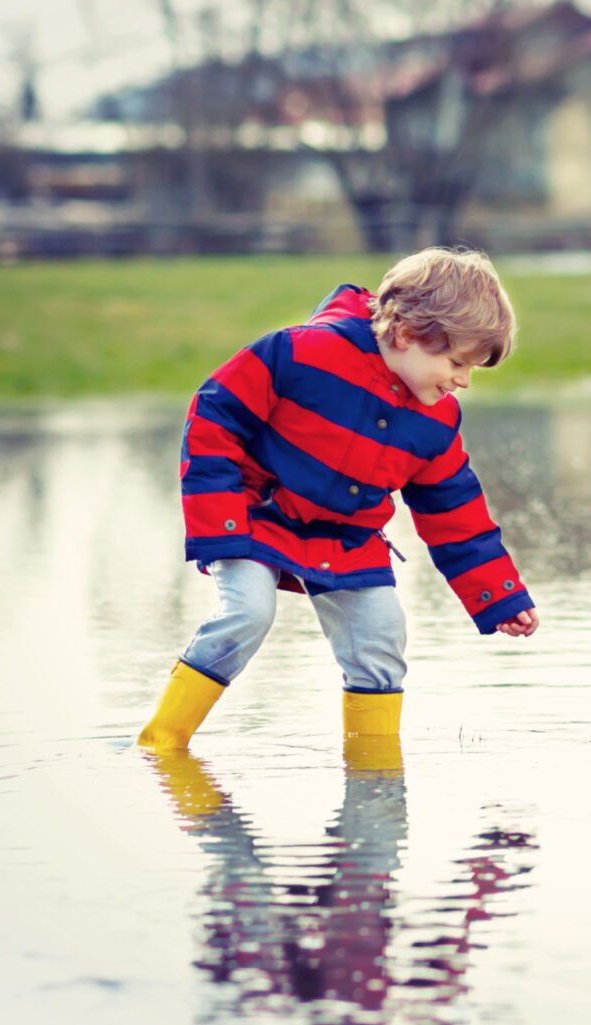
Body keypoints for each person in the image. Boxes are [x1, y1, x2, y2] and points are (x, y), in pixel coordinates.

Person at [138, 248, 539, 751]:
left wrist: (498, 594)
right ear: (406, 334)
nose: (463, 379)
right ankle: (162, 746)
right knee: (248, 614)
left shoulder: (437, 420)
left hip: (347, 541)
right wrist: (220, 526)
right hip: (254, 520)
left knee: (382, 638)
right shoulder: (299, 354)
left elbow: (455, 514)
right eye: (456, 361)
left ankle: (373, 777)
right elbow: (213, 420)